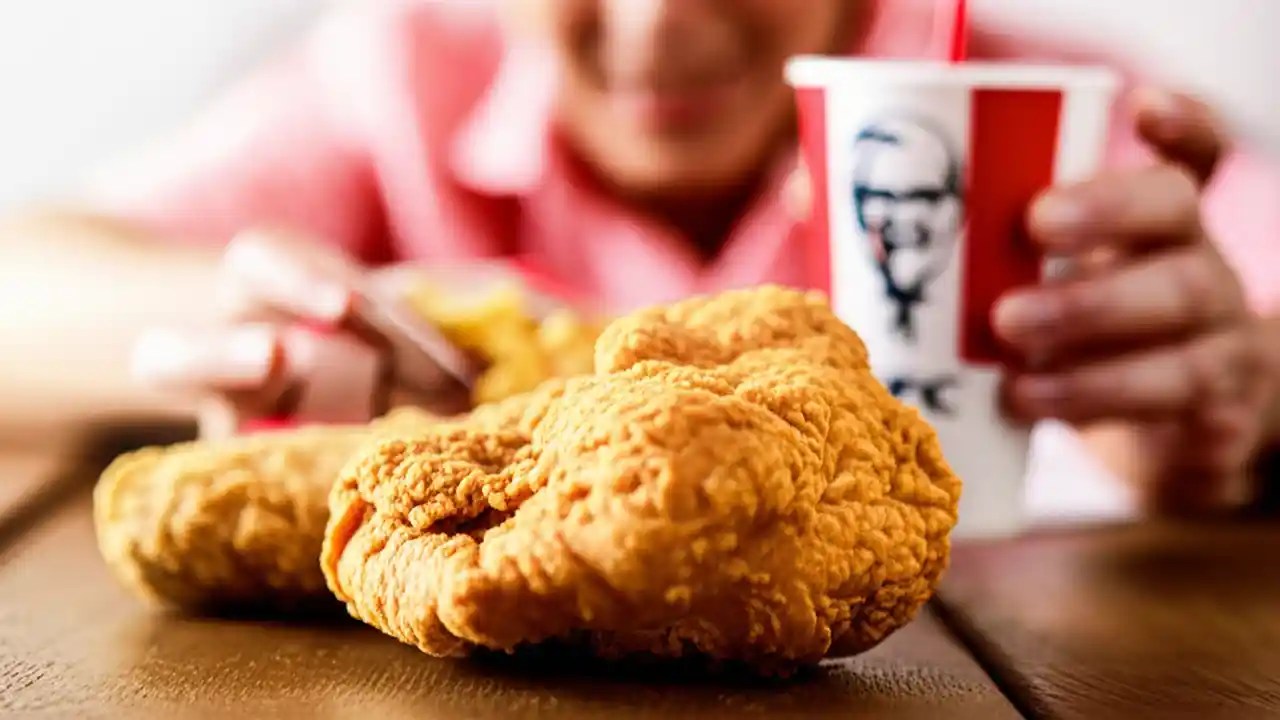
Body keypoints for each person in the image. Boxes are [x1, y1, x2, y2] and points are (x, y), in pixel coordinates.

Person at [2, 0, 1278, 516]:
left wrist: (1237, 400)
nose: (656, 24)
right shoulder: (394, 83)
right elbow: (23, 288)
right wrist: (253, 322)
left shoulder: (1039, 117)